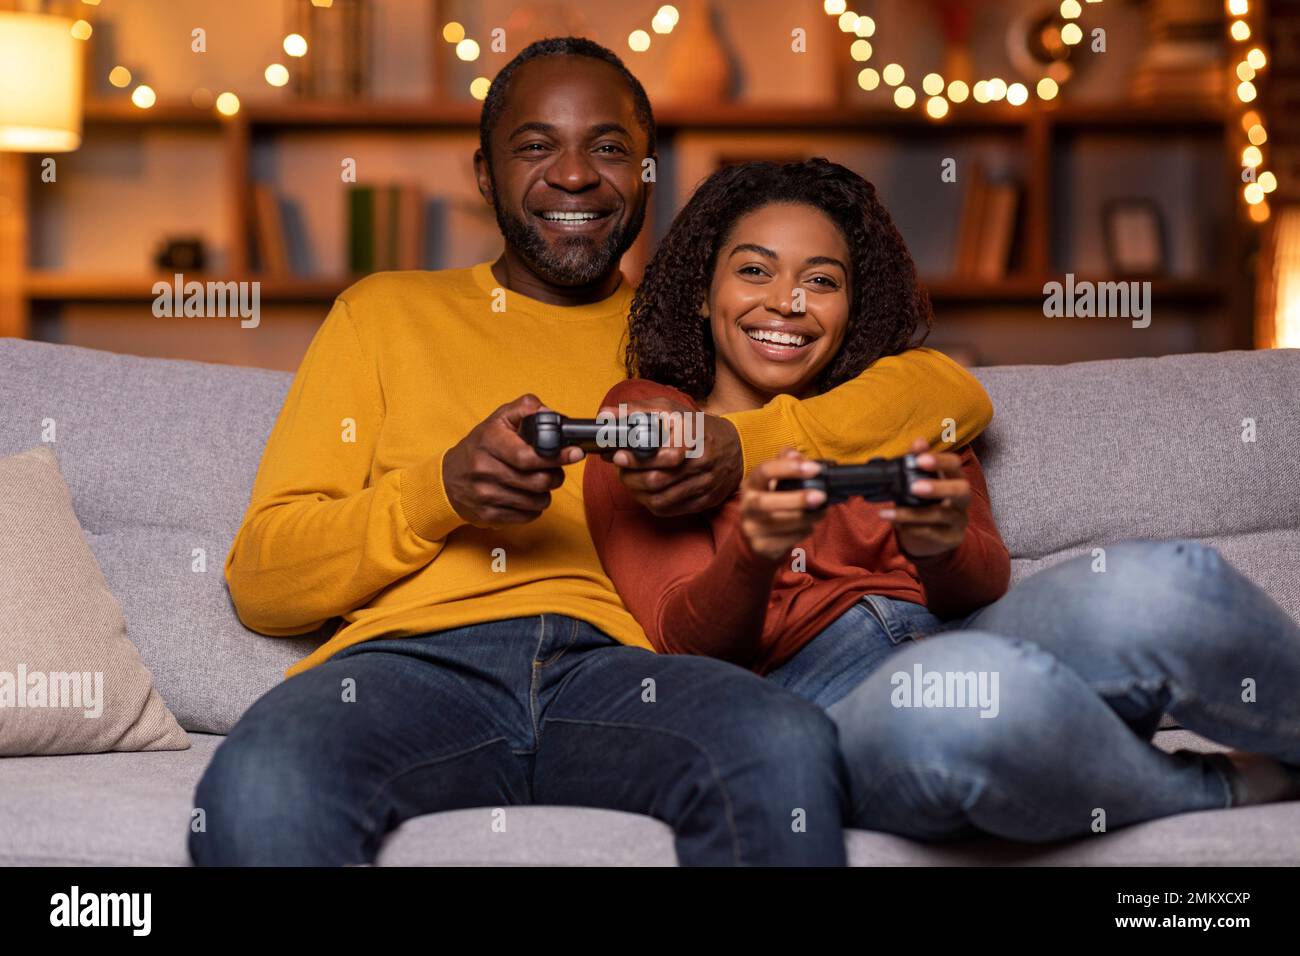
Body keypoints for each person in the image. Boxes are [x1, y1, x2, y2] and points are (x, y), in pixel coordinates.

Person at [188, 39, 995, 866]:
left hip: (621, 673)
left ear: (649, 175)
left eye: (609, 148)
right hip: (407, 668)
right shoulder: (382, 314)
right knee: (263, 789)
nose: (574, 175)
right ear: (483, 173)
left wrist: (731, 443)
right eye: (536, 145)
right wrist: (440, 493)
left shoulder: (697, 329)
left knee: (781, 741)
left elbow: (951, 395)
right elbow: (262, 586)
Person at [586, 157, 1300, 844]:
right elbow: (685, 643)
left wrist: (941, 545)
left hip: (968, 637)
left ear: (851, 307)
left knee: (1164, 582)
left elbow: (982, 579)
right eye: (753, 270)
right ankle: (1216, 789)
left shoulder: (897, 407)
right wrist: (754, 552)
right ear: (703, 292)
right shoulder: (652, 419)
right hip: (831, 707)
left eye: (823, 280)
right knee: (973, 695)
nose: (788, 301)